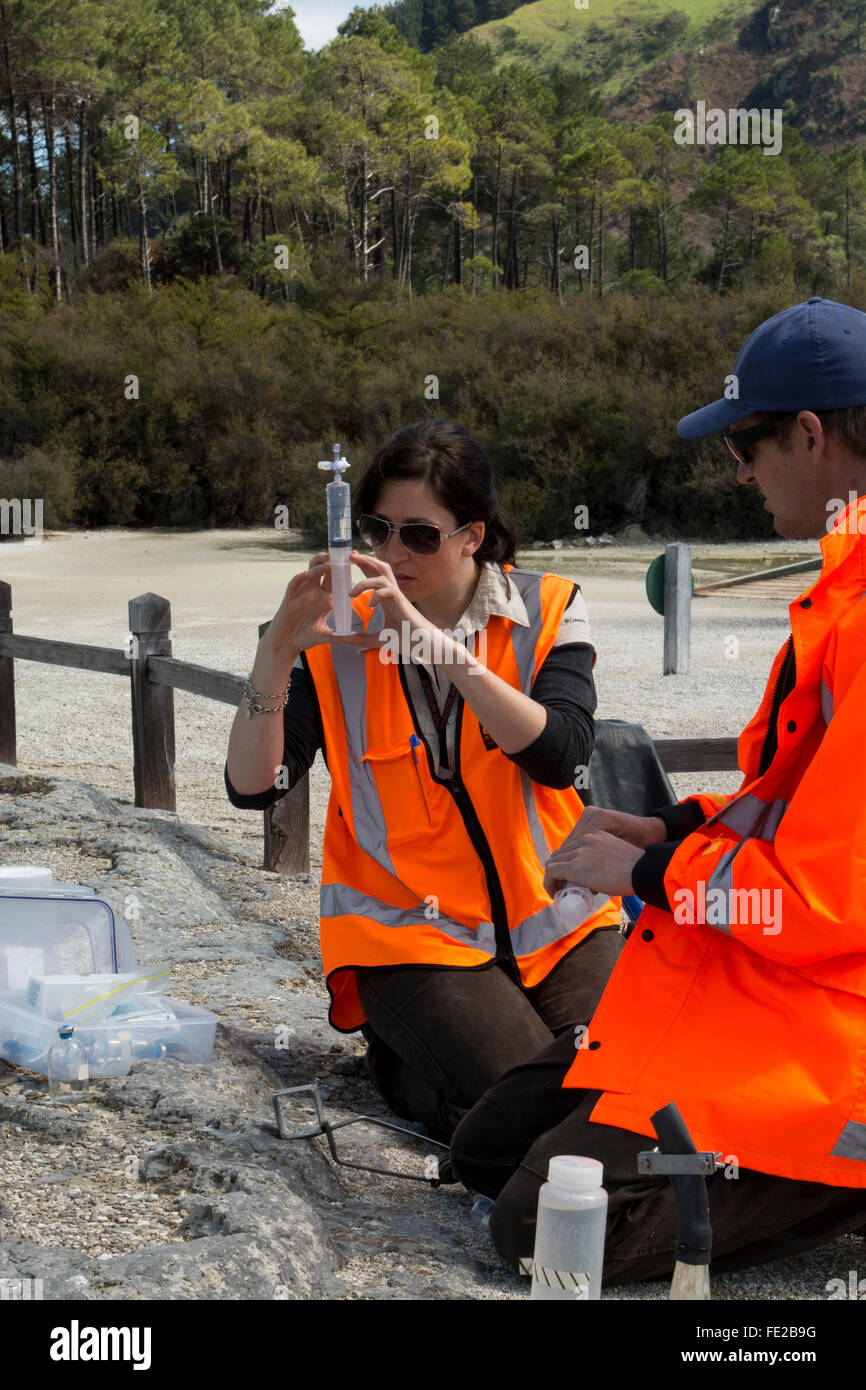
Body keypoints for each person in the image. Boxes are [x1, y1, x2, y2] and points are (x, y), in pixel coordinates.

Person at [450, 296, 866, 1285]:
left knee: (539, 1230)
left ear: (807, 435)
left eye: (744, 445)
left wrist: (650, 869)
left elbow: (827, 897)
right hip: (775, 986)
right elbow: (798, 809)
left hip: (829, 1023)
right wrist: (675, 824)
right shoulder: (840, 594)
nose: (737, 471)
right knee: (484, 1150)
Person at [225, 419, 624, 1143]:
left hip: (559, 919)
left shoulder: (549, 609)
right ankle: (411, 1066)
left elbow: (561, 756)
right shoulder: (335, 639)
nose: (390, 553)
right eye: (377, 530)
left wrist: (437, 646)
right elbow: (255, 786)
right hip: (411, 935)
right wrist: (276, 652)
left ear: (473, 535)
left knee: (633, 1090)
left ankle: (421, 1077)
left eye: (420, 536)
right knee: (546, 1115)